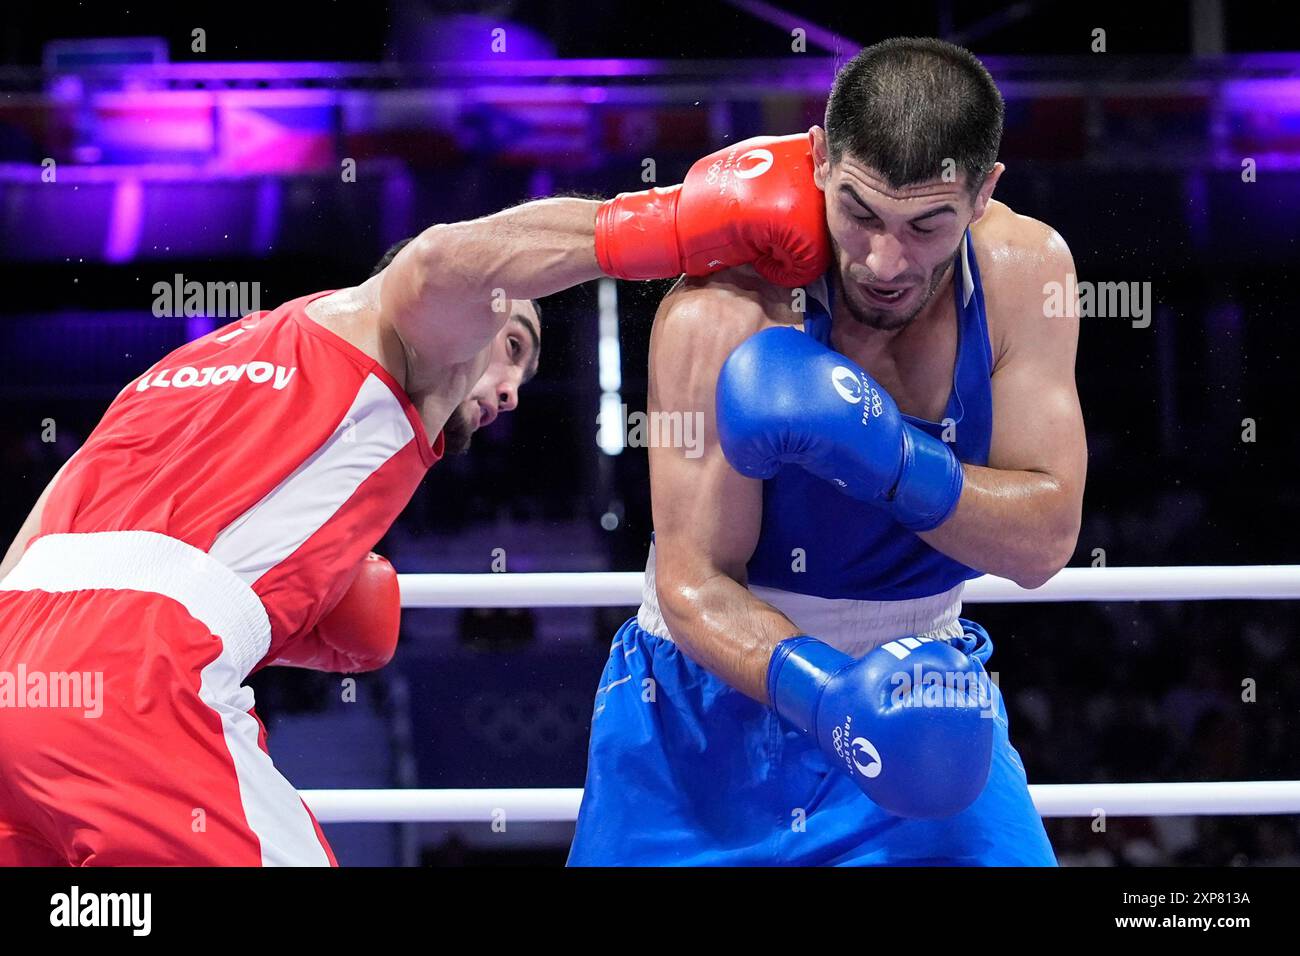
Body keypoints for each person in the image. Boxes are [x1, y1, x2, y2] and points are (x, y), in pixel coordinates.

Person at [0, 136, 829, 865]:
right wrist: (686, 219)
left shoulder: (186, 371)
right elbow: (441, 263)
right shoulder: (391, 333)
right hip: (136, 683)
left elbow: (34, 556)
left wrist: (285, 616)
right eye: (511, 346)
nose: (510, 389)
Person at [568, 37, 1087, 866]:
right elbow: (695, 580)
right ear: (817, 160)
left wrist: (887, 459)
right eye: (860, 212)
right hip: (704, 703)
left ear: (984, 194)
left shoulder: (1027, 274)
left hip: (923, 685)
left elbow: (1045, 542)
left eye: (927, 225)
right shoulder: (726, 310)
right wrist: (828, 699)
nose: (885, 260)